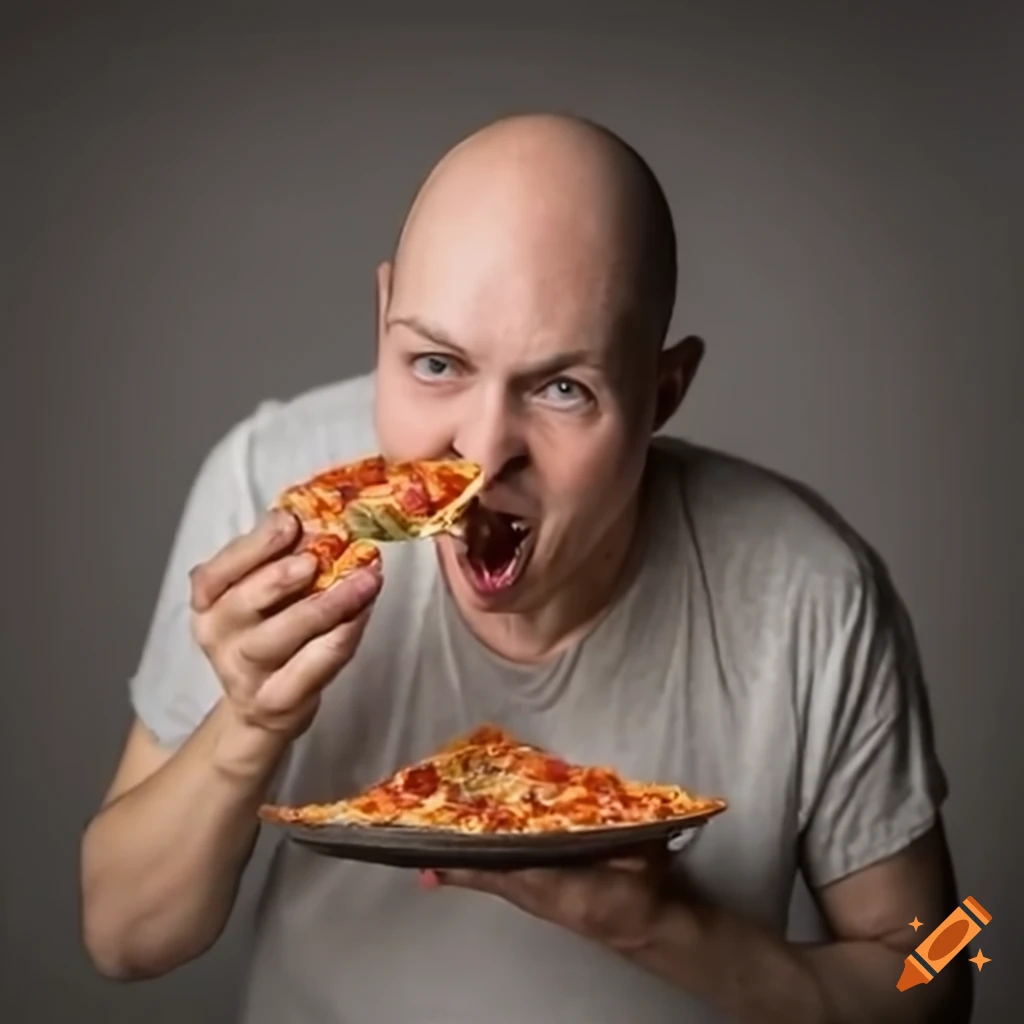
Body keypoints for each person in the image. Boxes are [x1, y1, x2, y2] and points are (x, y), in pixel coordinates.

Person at [80, 113, 972, 1023]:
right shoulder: (274, 487)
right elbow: (120, 935)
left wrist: (662, 927)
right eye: (435, 363)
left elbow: (952, 957)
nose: (481, 451)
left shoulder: (813, 586)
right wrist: (249, 724)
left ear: (662, 393)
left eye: (562, 389)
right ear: (382, 317)